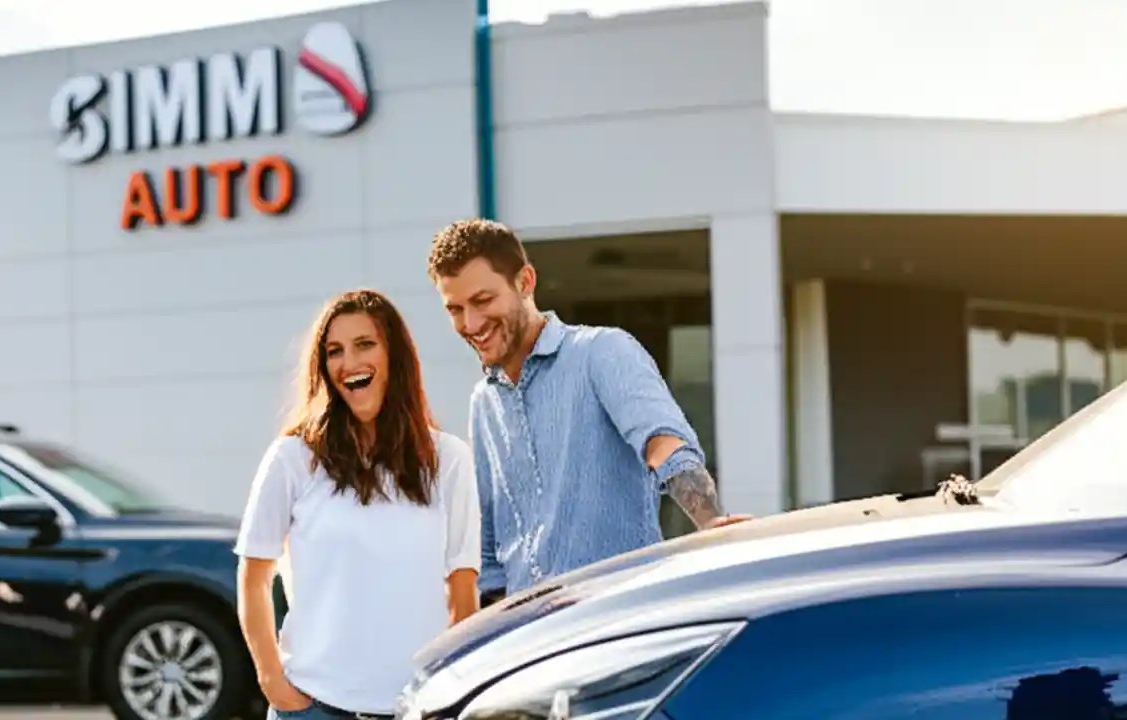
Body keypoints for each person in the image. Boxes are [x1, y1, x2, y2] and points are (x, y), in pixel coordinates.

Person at [427, 219, 751, 606]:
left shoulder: (601, 353)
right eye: (456, 309)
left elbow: (664, 445)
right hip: (533, 631)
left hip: (618, 619)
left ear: (525, 282)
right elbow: (491, 549)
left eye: (483, 301)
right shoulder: (484, 402)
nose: (471, 323)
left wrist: (711, 522)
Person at [233, 289, 481, 719]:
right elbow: (254, 576)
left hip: (420, 708)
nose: (348, 362)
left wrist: (452, 695)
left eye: (365, 344)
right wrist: (272, 680)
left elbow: (463, 592)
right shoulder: (293, 458)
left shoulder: (449, 460)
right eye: (334, 351)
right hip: (313, 706)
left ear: (395, 357)